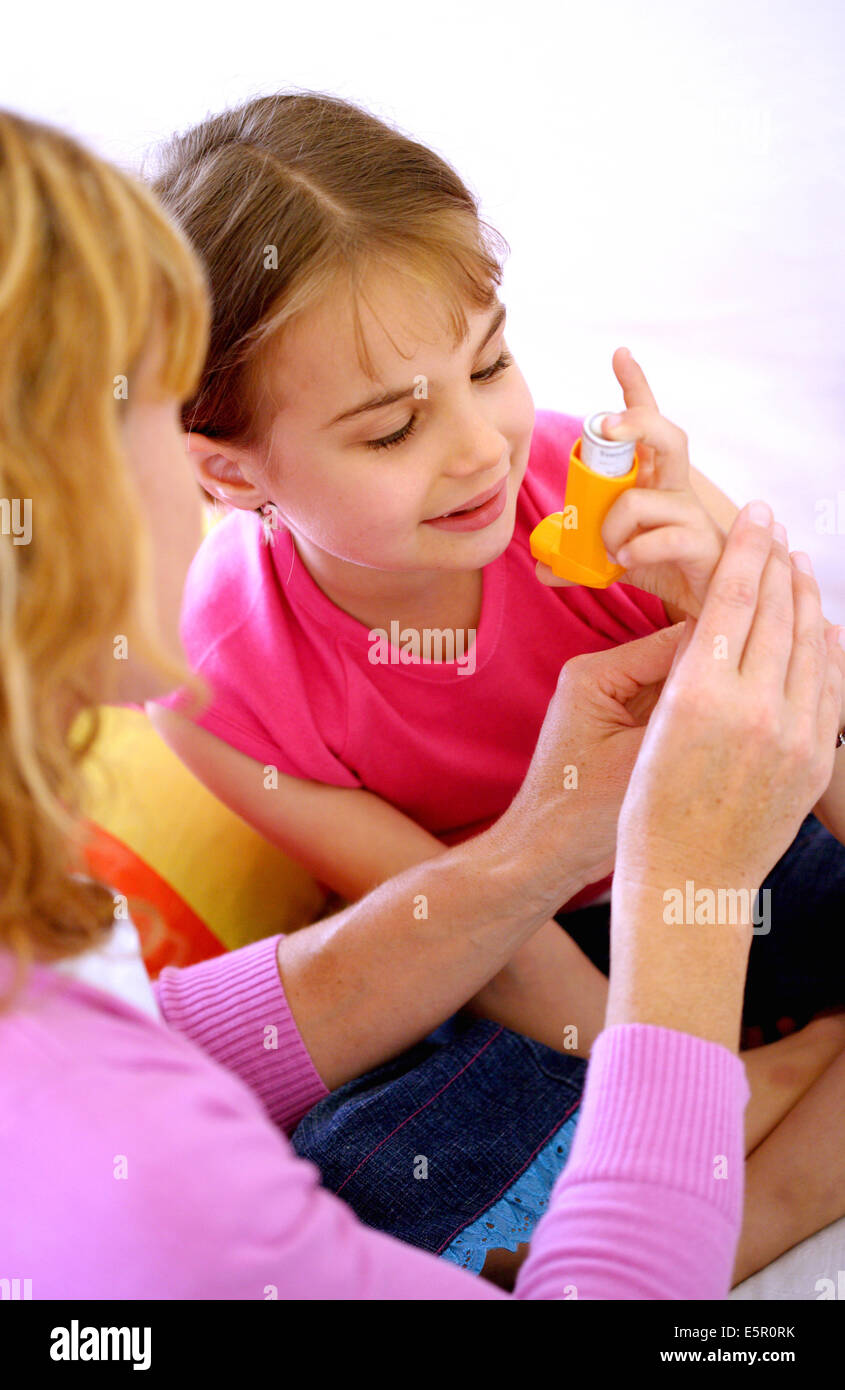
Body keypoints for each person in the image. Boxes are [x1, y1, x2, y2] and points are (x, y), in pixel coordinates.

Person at [1, 108, 843, 1300]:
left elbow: (808, 745)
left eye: (491, 365)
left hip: (754, 851)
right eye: (392, 427)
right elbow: (461, 935)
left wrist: (738, 618)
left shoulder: (599, 500)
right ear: (224, 473)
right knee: (378, 1160)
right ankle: (763, 1180)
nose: (476, 451)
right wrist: (686, 1072)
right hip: (541, 949)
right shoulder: (217, 674)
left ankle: (762, 1162)